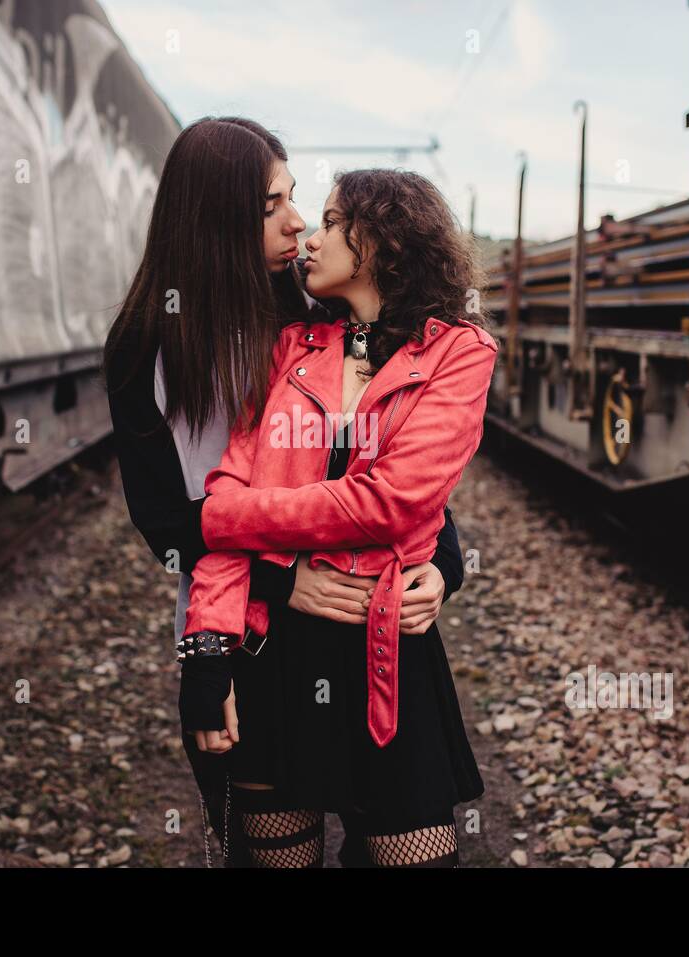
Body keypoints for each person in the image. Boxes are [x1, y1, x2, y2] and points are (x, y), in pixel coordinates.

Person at [100, 118, 466, 867]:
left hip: (361, 624)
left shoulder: (313, 313)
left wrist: (443, 564)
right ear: (216, 216)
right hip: (242, 636)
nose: (297, 222)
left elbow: (394, 467)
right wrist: (279, 577)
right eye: (273, 205)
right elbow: (167, 524)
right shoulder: (145, 345)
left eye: (298, 200)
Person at [179, 168, 497, 868]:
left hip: (385, 650)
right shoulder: (289, 348)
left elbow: (396, 500)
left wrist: (228, 519)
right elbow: (228, 488)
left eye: (328, 221)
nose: (308, 237)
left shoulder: (459, 352)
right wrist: (206, 648)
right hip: (276, 655)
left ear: (380, 239)